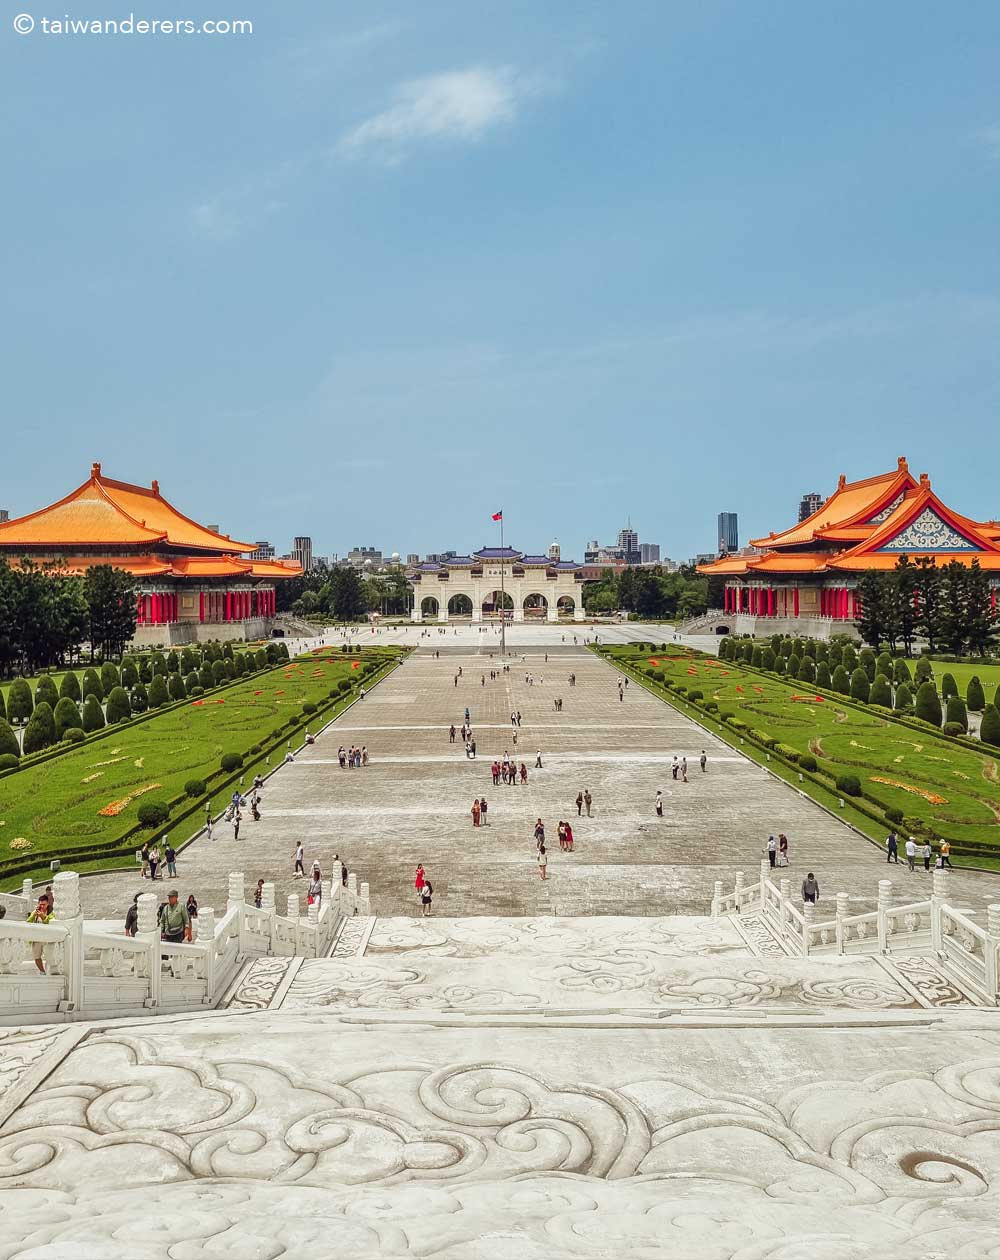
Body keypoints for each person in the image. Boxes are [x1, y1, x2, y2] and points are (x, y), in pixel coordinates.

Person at [27, 895, 53, 973]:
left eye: (44, 904)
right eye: (40, 904)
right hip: (37, 938)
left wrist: (43, 917)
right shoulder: (35, 912)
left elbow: (52, 924)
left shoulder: (51, 913)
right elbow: (28, 922)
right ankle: (42, 972)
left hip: (47, 938)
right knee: (36, 957)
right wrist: (34, 915)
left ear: (48, 904)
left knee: (50, 956)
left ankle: (50, 972)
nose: (42, 906)